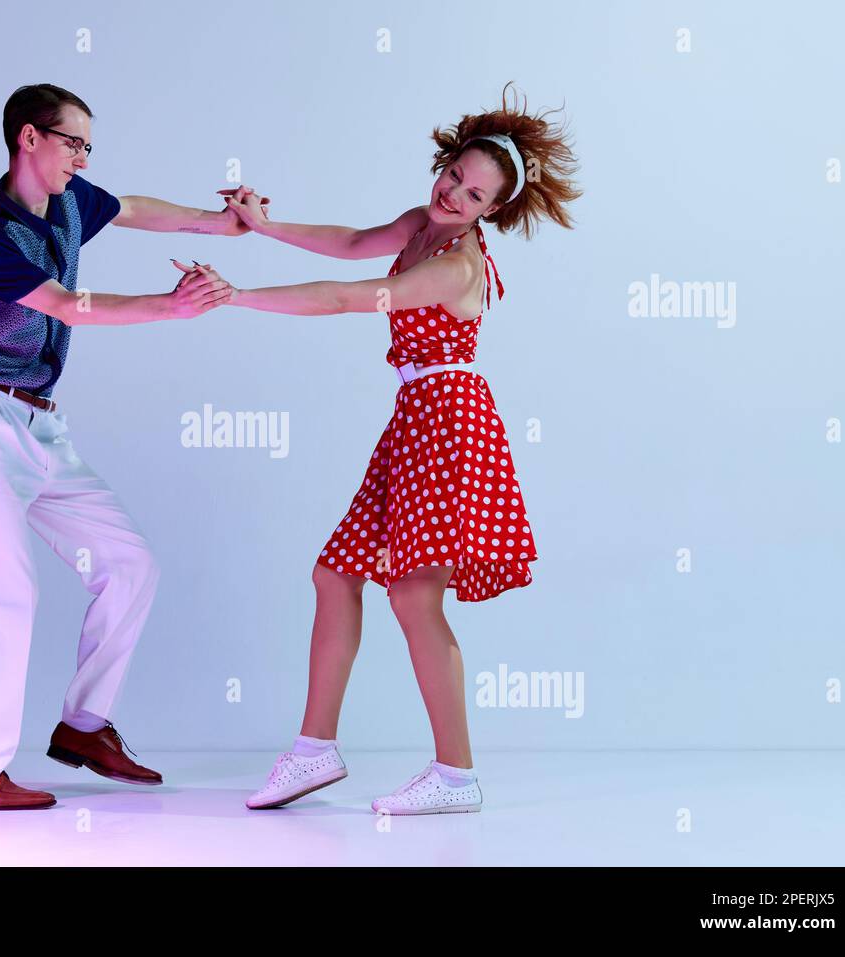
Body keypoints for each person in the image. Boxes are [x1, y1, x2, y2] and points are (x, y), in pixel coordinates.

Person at [218, 82, 581, 815]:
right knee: (336, 573)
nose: (455, 195)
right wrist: (264, 225)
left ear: (492, 211)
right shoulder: (423, 225)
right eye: (454, 176)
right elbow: (354, 243)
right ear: (445, 164)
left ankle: (456, 775)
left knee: (415, 595)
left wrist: (235, 296)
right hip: (414, 417)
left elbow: (350, 295)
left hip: (450, 424)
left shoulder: (456, 265)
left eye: (475, 196)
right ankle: (313, 751)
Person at [0, 83, 238, 810]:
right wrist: (171, 306)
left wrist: (221, 226)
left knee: (130, 563)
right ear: (28, 139)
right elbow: (66, 306)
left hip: (40, 425)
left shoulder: (69, 202)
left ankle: (83, 727)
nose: (82, 157)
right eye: (73, 142)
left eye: (89, 147)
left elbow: (134, 208)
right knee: (6, 594)